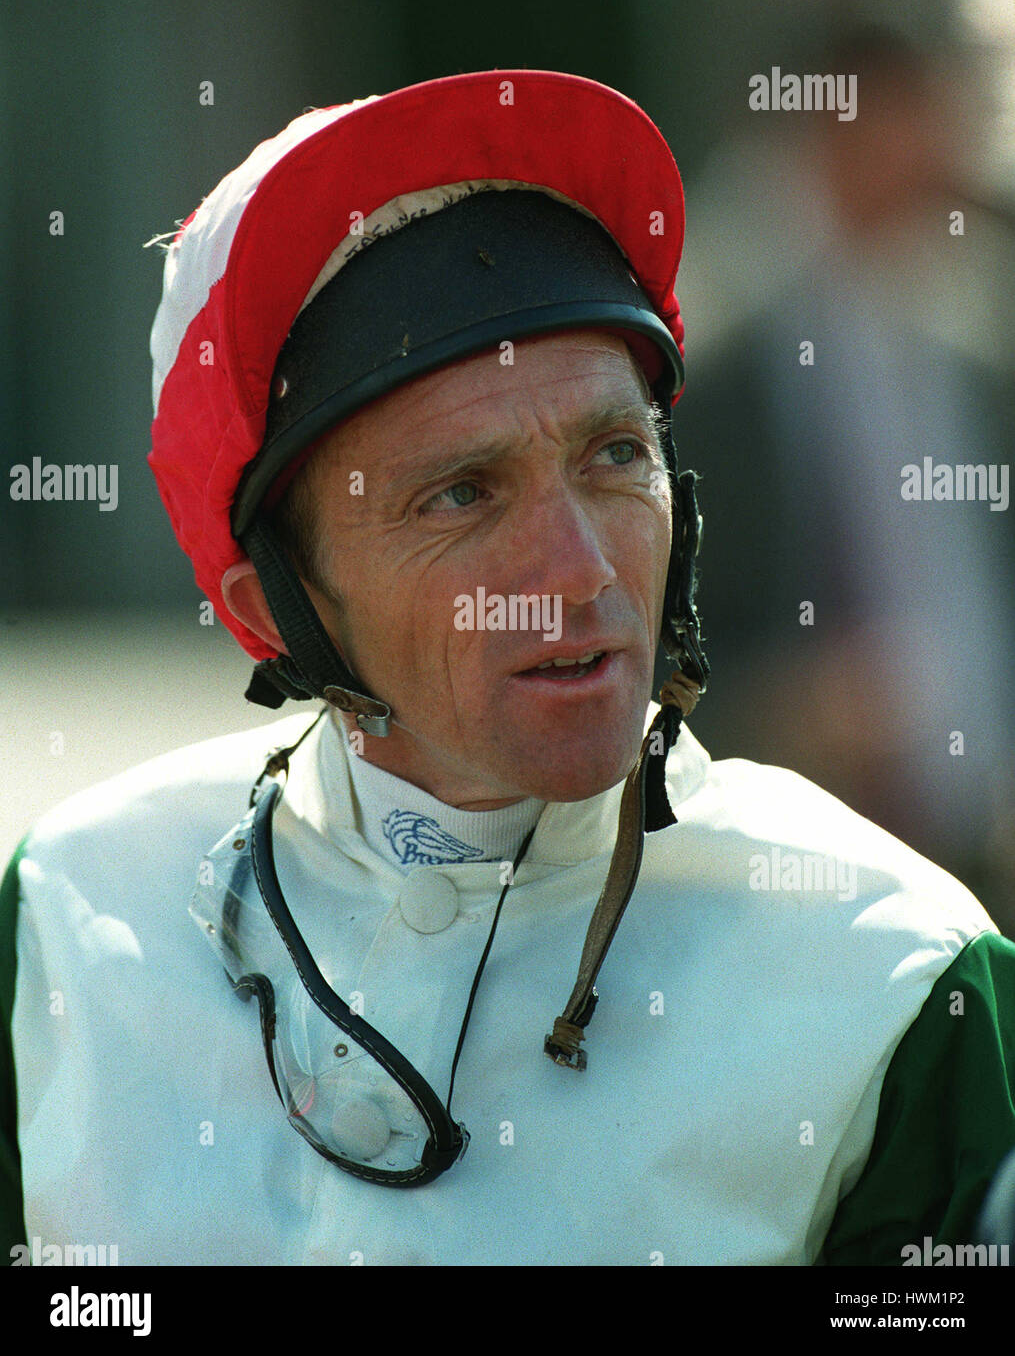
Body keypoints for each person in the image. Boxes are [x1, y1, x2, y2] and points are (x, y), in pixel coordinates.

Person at [2, 70, 1014, 1267]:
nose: (579, 569)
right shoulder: (65, 919)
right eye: (462, 493)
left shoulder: (897, 978)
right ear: (275, 609)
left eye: (613, 454)